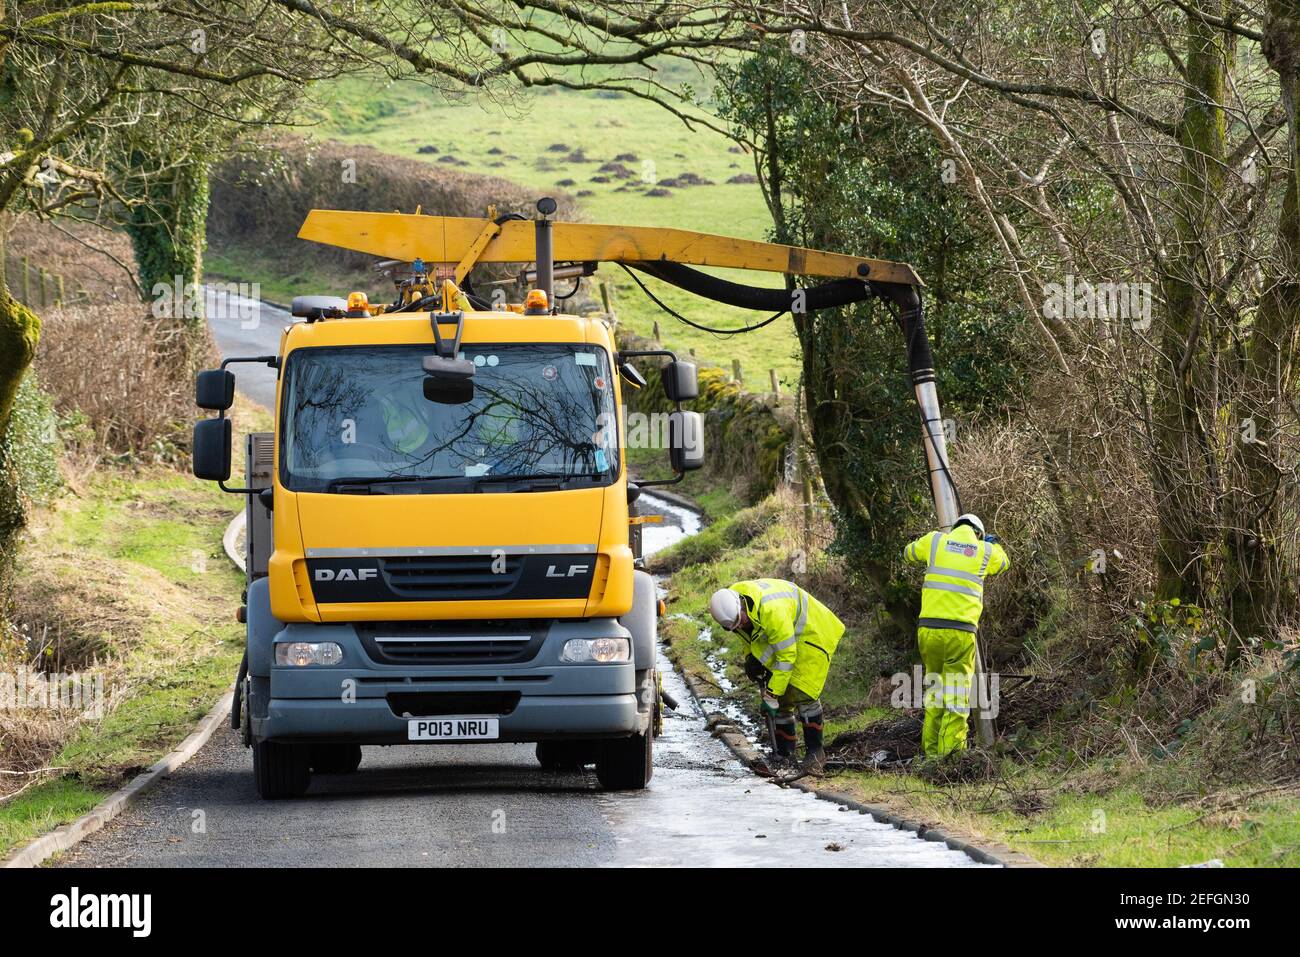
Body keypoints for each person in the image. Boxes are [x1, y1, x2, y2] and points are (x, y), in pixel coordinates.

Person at [708, 579, 845, 774]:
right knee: (782, 700)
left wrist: (770, 696)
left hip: (810, 633)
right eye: (736, 625)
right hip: (783, 637)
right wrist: (750, 658)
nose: (742, 625)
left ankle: (815, 754)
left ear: (741, 604)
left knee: (803, 692)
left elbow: (787, 657)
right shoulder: (732, 607)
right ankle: (785, 755)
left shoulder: (772, 612)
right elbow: (749, 635)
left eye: (742, 620)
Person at [903, 513, 1010, 758]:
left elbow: (908, 553)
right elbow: (1005, 563)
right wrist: (993, 544)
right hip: (959, 634)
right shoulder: (984, 550)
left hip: (928, 631)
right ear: (978, 533)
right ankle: (950, 759)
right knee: (956, 698)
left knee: (935, 693)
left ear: (955, 527)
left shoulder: (934, 541)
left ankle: (930, 757)